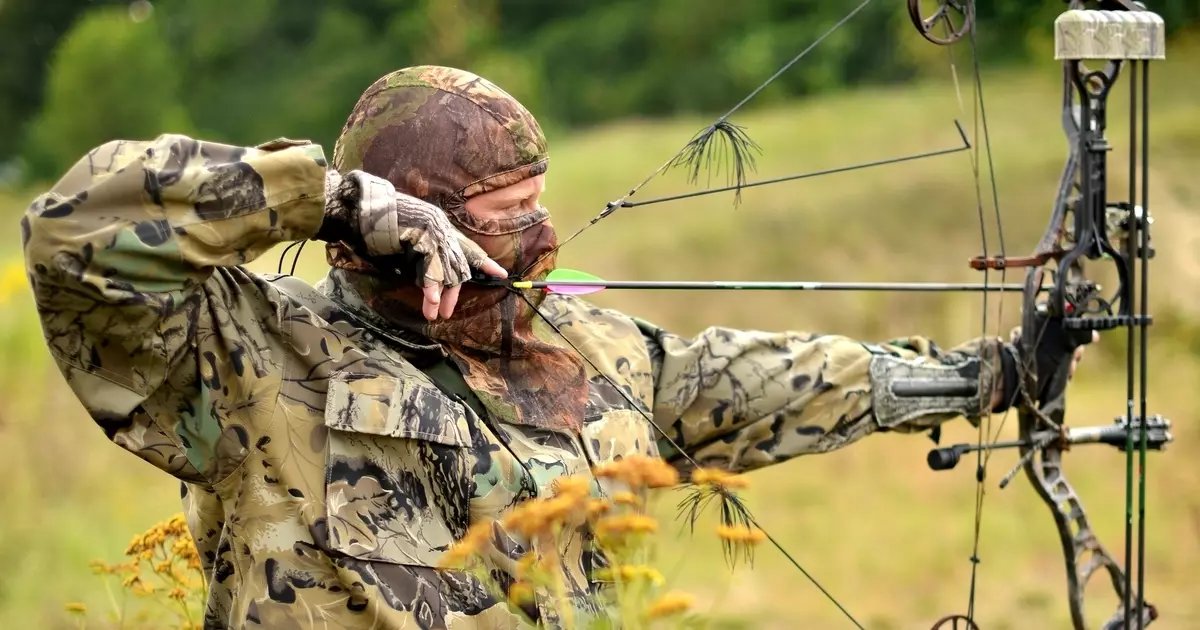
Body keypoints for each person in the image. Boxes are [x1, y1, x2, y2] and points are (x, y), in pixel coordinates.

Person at [21, 65, 1091, 629]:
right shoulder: (251, 356)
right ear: (404, 226)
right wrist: (331, 200)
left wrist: (985, 374)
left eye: (542, 204)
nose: (542, 240)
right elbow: (72, 229)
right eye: (502, 214)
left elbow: (751, 381)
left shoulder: (579, 343)